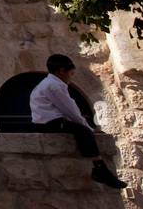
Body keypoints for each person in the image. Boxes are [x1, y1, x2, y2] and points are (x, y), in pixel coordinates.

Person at [30, 53, 127, 189]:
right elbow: (70, 110)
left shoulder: (50, 83)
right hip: (48, 123)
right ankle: (100, 168)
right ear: (61, 71)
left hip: (48, 121)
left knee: (82, 128)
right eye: (70, 73)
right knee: (83, 131)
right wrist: (90, 129)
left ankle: (101, 169)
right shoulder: (54, 86)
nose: (71, 77)